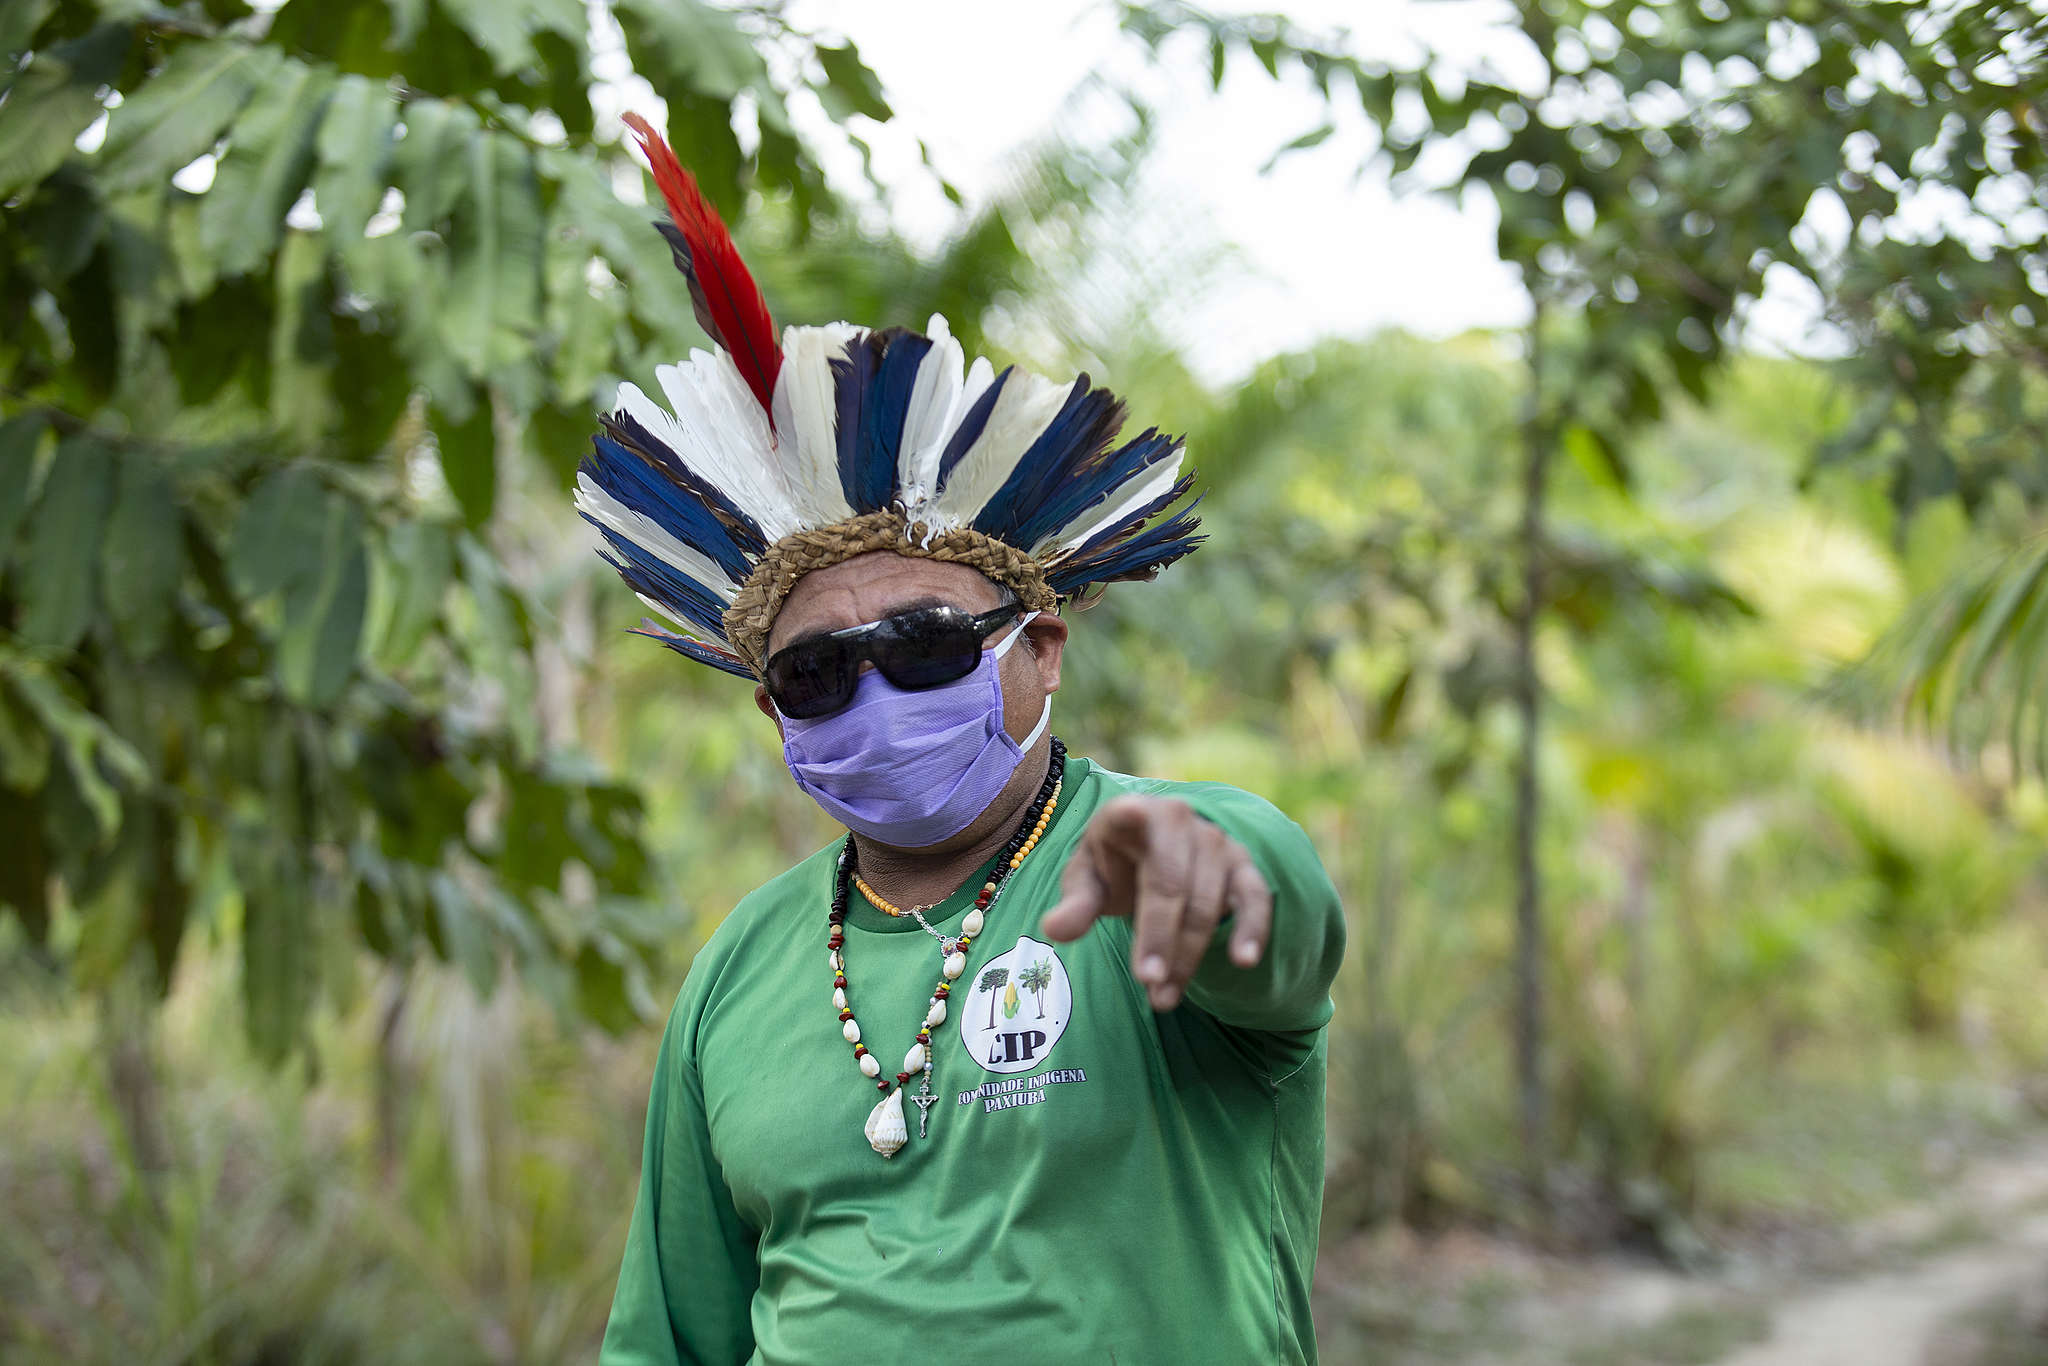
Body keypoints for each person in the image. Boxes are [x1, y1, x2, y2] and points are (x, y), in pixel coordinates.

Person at [585, 115, 1346, 1366]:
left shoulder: (1147, 867)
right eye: (817, 670)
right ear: (773, 709)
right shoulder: (736, 971)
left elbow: (1279, 929)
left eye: (927, 640)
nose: (873, 689)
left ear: (1036, 649)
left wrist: (1215, 864)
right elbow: (672, 1335)